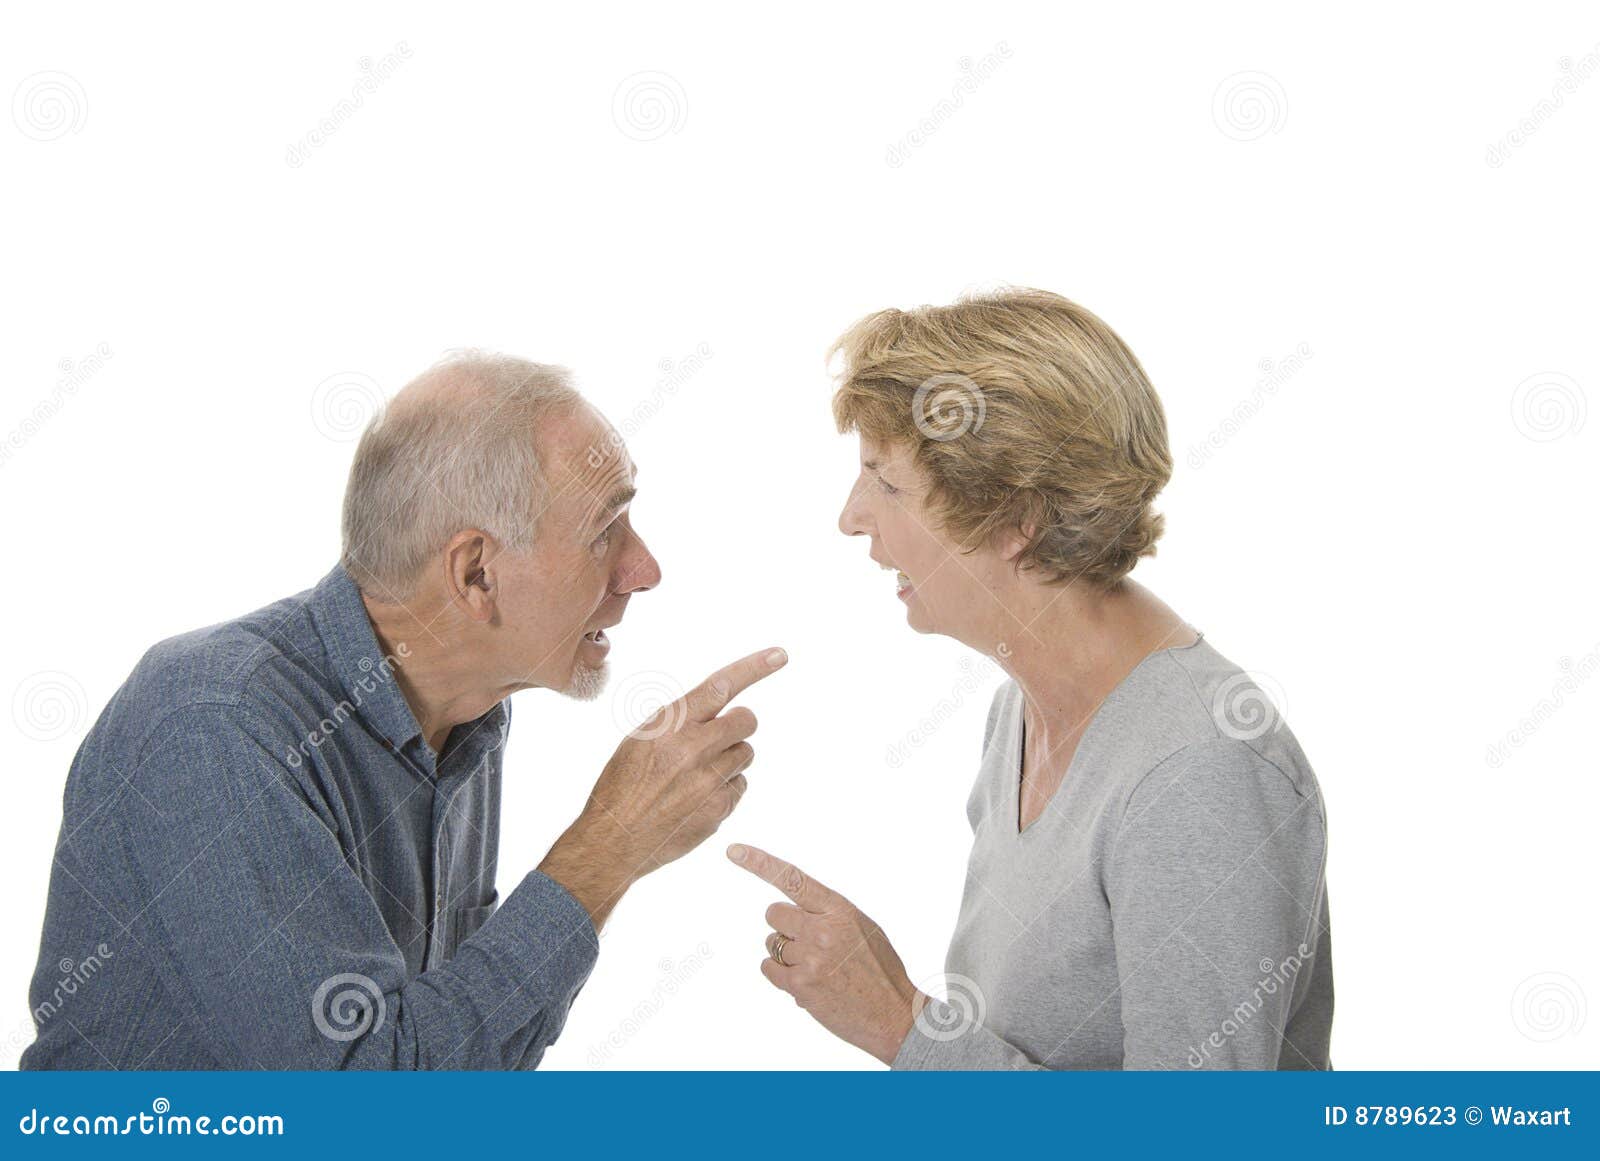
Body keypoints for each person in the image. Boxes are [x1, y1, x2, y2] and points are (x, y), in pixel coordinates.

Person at [22, 351, 784, 1069]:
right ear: (476, 573)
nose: (643, 569)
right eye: (603, 532)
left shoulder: (469, 715)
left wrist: (614, 855)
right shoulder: (213, 724)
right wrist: (608, 846)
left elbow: (459, 1059)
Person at [729, 289, 1333, 1069]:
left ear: (1017, 520)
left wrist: (901, 1025)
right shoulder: (1019, 711)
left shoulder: (1201, 770)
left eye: (887, 483)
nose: (851, 516)